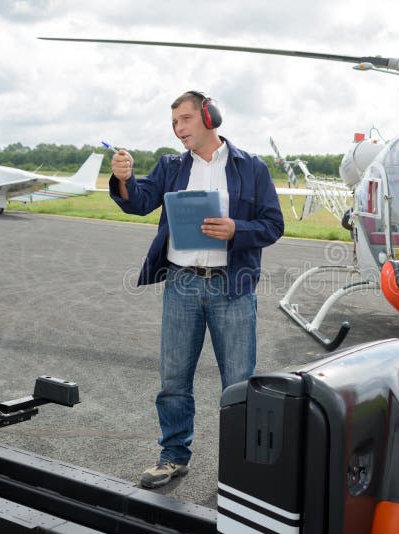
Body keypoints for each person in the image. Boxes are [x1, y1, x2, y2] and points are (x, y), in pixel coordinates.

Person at [109, 90, 284, 488]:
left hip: (232, 289)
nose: (178, 129)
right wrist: (123, 179)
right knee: (173, 381)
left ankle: (243, 470)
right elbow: (138, 202)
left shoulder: (251, 167)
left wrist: (237, 229)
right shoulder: (171, 166)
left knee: (239, 386)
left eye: (185, 120)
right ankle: (173, 457)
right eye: (173, 123)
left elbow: (273, 225)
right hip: (183, 285)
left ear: (210, 116)